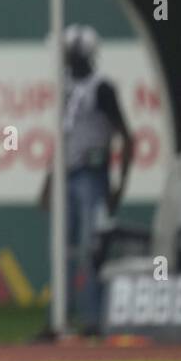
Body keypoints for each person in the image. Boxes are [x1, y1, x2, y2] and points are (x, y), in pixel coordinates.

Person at [39, 23, 134, 336]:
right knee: (63, 249)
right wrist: (50, 180)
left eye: (71, 54)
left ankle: (94, 320)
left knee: (92, 248)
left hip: (93, 175)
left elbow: (126, 136)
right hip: (68, 174)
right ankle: (61, 319)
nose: (67, 59)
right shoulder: (66, 86)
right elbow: (63, 137)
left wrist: (120, 183)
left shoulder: (101, 88)